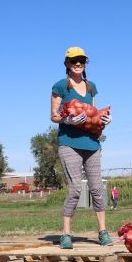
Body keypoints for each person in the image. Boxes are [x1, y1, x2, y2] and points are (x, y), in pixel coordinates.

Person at [50, 46, 113, 249]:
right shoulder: (61, 86)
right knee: (75, 189)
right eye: (74, 60)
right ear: (67, 63)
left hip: (92, 143)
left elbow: (92, 112)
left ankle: (102, 232)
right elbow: (54, 116)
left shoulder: (91, 87)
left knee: (97, 188)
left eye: (82, 60)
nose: (78, 64)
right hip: (69, 143)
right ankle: (66, 234)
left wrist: (104, 119)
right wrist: (67, 120)